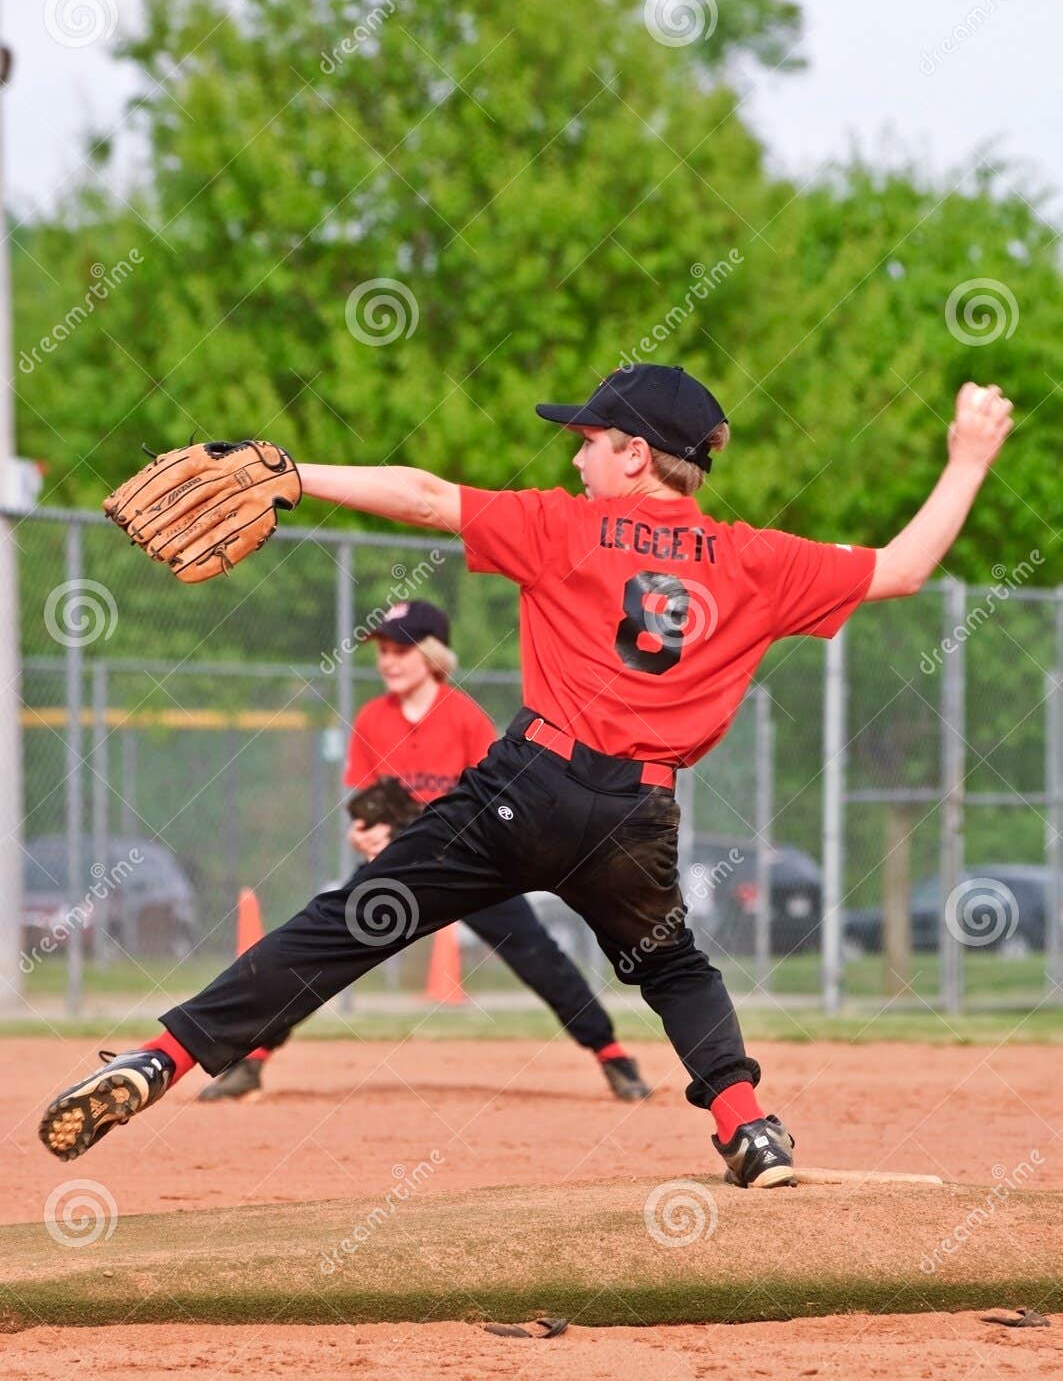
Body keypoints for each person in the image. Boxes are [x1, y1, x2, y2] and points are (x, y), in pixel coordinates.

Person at [39, 364, 1013, 1187]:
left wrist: (296, 472)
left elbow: (426, 497)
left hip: (522, 789)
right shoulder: (757, 559)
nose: (576, 454)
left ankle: (159, 1057)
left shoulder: (566, 528)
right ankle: (747, 1126)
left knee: (349, 921)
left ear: (635, 453)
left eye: (588, 438)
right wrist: (968, 460)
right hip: (636, 816)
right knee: (672, 966)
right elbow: (902, 569)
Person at [200, 598, 648, 1103]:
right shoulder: (372, 719)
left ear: (432, 655)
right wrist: (364, 836)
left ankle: (611, 1054)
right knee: (321, 948)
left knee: (538, 956)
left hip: (474, 862)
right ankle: (254, 1058)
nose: (388, 660)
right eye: (384, 649)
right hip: (398, 861)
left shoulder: (463, 716)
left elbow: (496, 794)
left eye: (401, 649)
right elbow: (365, 802)